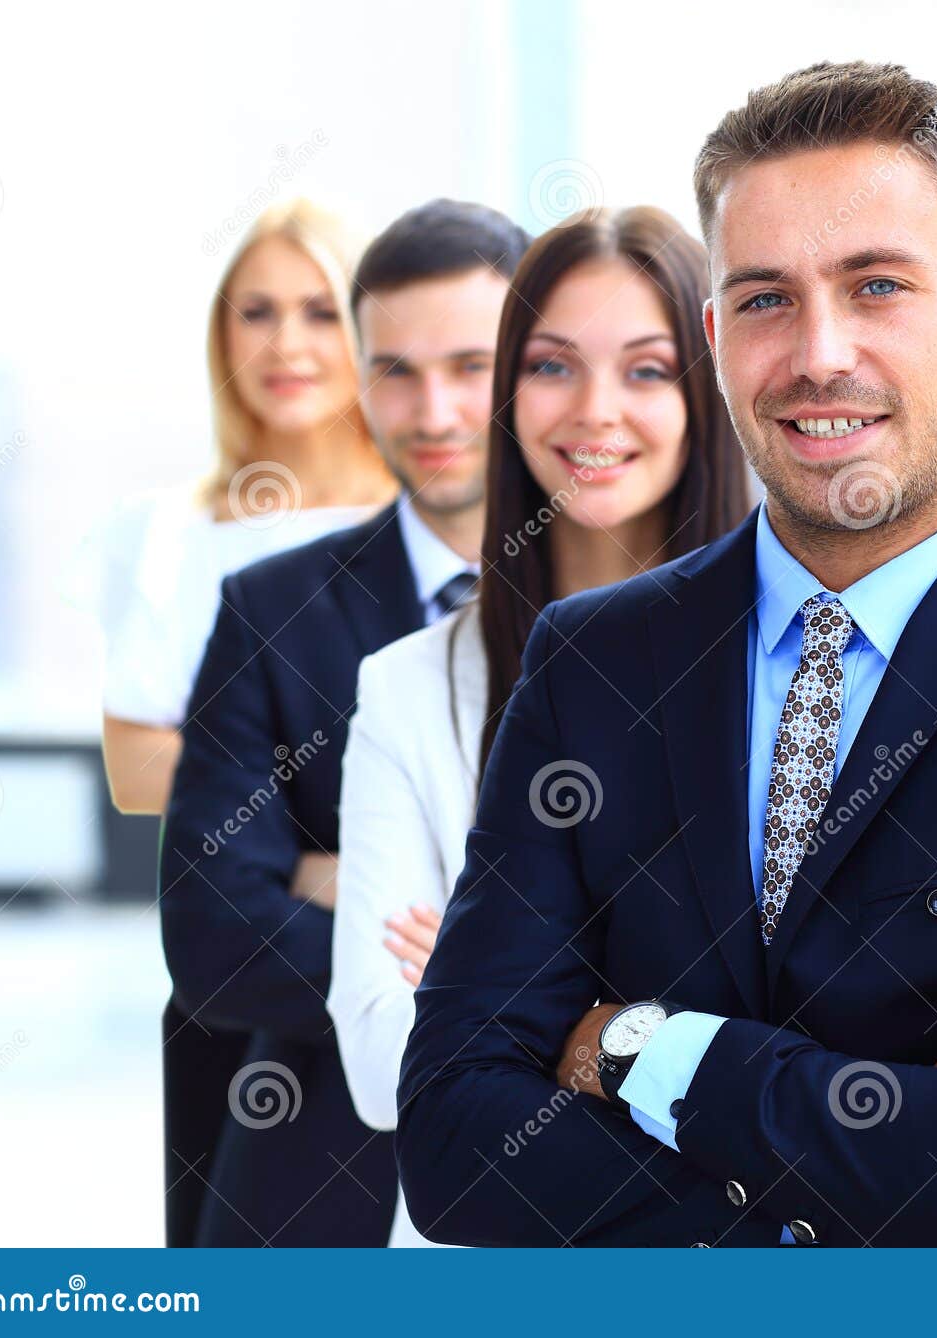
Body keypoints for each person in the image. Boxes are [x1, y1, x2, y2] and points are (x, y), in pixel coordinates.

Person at [396, 61, 937, 1248]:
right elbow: (453, 1150)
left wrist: (644, 1047)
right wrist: (905, 1138)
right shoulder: (592, 662)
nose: (817, 353)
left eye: (878, 287)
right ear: (712, 338)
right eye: (762, 300)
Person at [326, 206, 752, 1246]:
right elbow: (388, 1073)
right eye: (554, 367)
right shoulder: (411, 687)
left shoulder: (794, 655)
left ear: (707, 390)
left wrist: (510, 1005)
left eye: (648, 370)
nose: (595, 411)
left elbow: (855, 1045)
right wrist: (685, 1043)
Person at [157, 199, 528, 1246]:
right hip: (317, 1192)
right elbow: (211, 933)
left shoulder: (631, 605)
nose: (434, 410)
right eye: (395, 371)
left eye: (471, 365)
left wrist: (354, 877)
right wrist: (502, 961)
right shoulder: (271, 612)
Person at [71, 198, 395, 1248]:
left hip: (410, 954)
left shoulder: (438, 521)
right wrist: (289, 855)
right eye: (255, 313)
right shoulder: (170, 534)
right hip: (246, 971)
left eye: (317, 310)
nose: (286, 344)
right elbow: (133, 764)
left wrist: (350, 856)